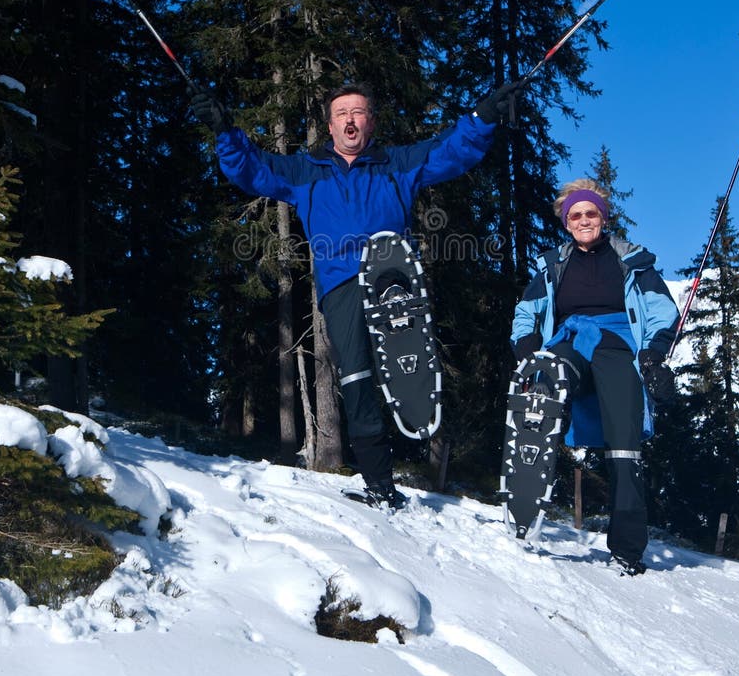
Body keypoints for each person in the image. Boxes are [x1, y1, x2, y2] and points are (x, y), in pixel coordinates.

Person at [190, 81, 518, 506]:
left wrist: (483, 116)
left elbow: (449, 151)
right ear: (329, 125)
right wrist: (224, 131)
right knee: (357, 376)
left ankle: (430, 437)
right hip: (341, 280)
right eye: (341, 112)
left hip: (391, 275)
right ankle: (380, 483)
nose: (350, 119)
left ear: (371, 123)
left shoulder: (397, 163)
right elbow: (251, 169)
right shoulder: (305, 171)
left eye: (358, 112)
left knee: (405, 368)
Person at [510, 178, 679, 574]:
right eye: (576, 215)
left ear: (603, 217)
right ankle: (525, 485)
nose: (584, 220)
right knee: (555, 374)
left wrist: (653, 358)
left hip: (617, 345)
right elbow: (525, 314)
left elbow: (662, 312)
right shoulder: (552, 266)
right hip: (568, 340)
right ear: (566, 223)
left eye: (591, 213)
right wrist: (528, 354)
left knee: (625, 441)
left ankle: (627, 549)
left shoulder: (632, 260)